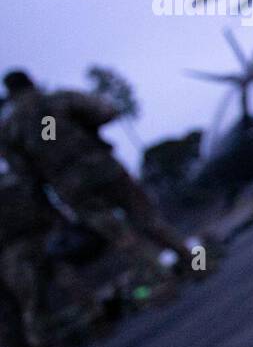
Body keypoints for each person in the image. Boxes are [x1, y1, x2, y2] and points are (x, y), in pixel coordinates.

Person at [0, 70, 191, 262]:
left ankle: (162, 277)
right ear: (31, 81)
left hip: (69, 186)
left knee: (120, 236)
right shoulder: (59, 99)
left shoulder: (10, 128)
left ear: (11, 93)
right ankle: (194, 262)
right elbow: (106, 112)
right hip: (103, 168)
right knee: (148, 218)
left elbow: (23, 173)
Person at [0, 151, 55, 347]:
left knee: (29, 300)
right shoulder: (12, 183)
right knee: (29, 300)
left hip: (24, 244)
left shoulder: (11, 183)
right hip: (19, 248)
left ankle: (40, 346)